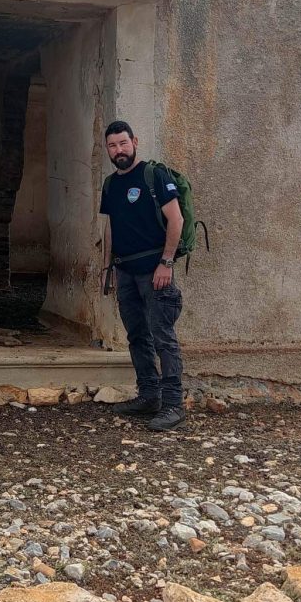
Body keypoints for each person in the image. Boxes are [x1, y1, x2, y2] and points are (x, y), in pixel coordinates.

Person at [98, 120, 186, 431]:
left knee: (163, 338)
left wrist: (167, 262)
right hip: (124, 271)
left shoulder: (154, 175)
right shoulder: (110, 185)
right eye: (112, 145)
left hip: (154, 271)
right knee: (136, 336)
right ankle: (149, 396)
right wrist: (107, 267)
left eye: (123, 143)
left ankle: (173, 405)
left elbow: (176, 219)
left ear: (135, 141)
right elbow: (110, 227)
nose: (118, 150)